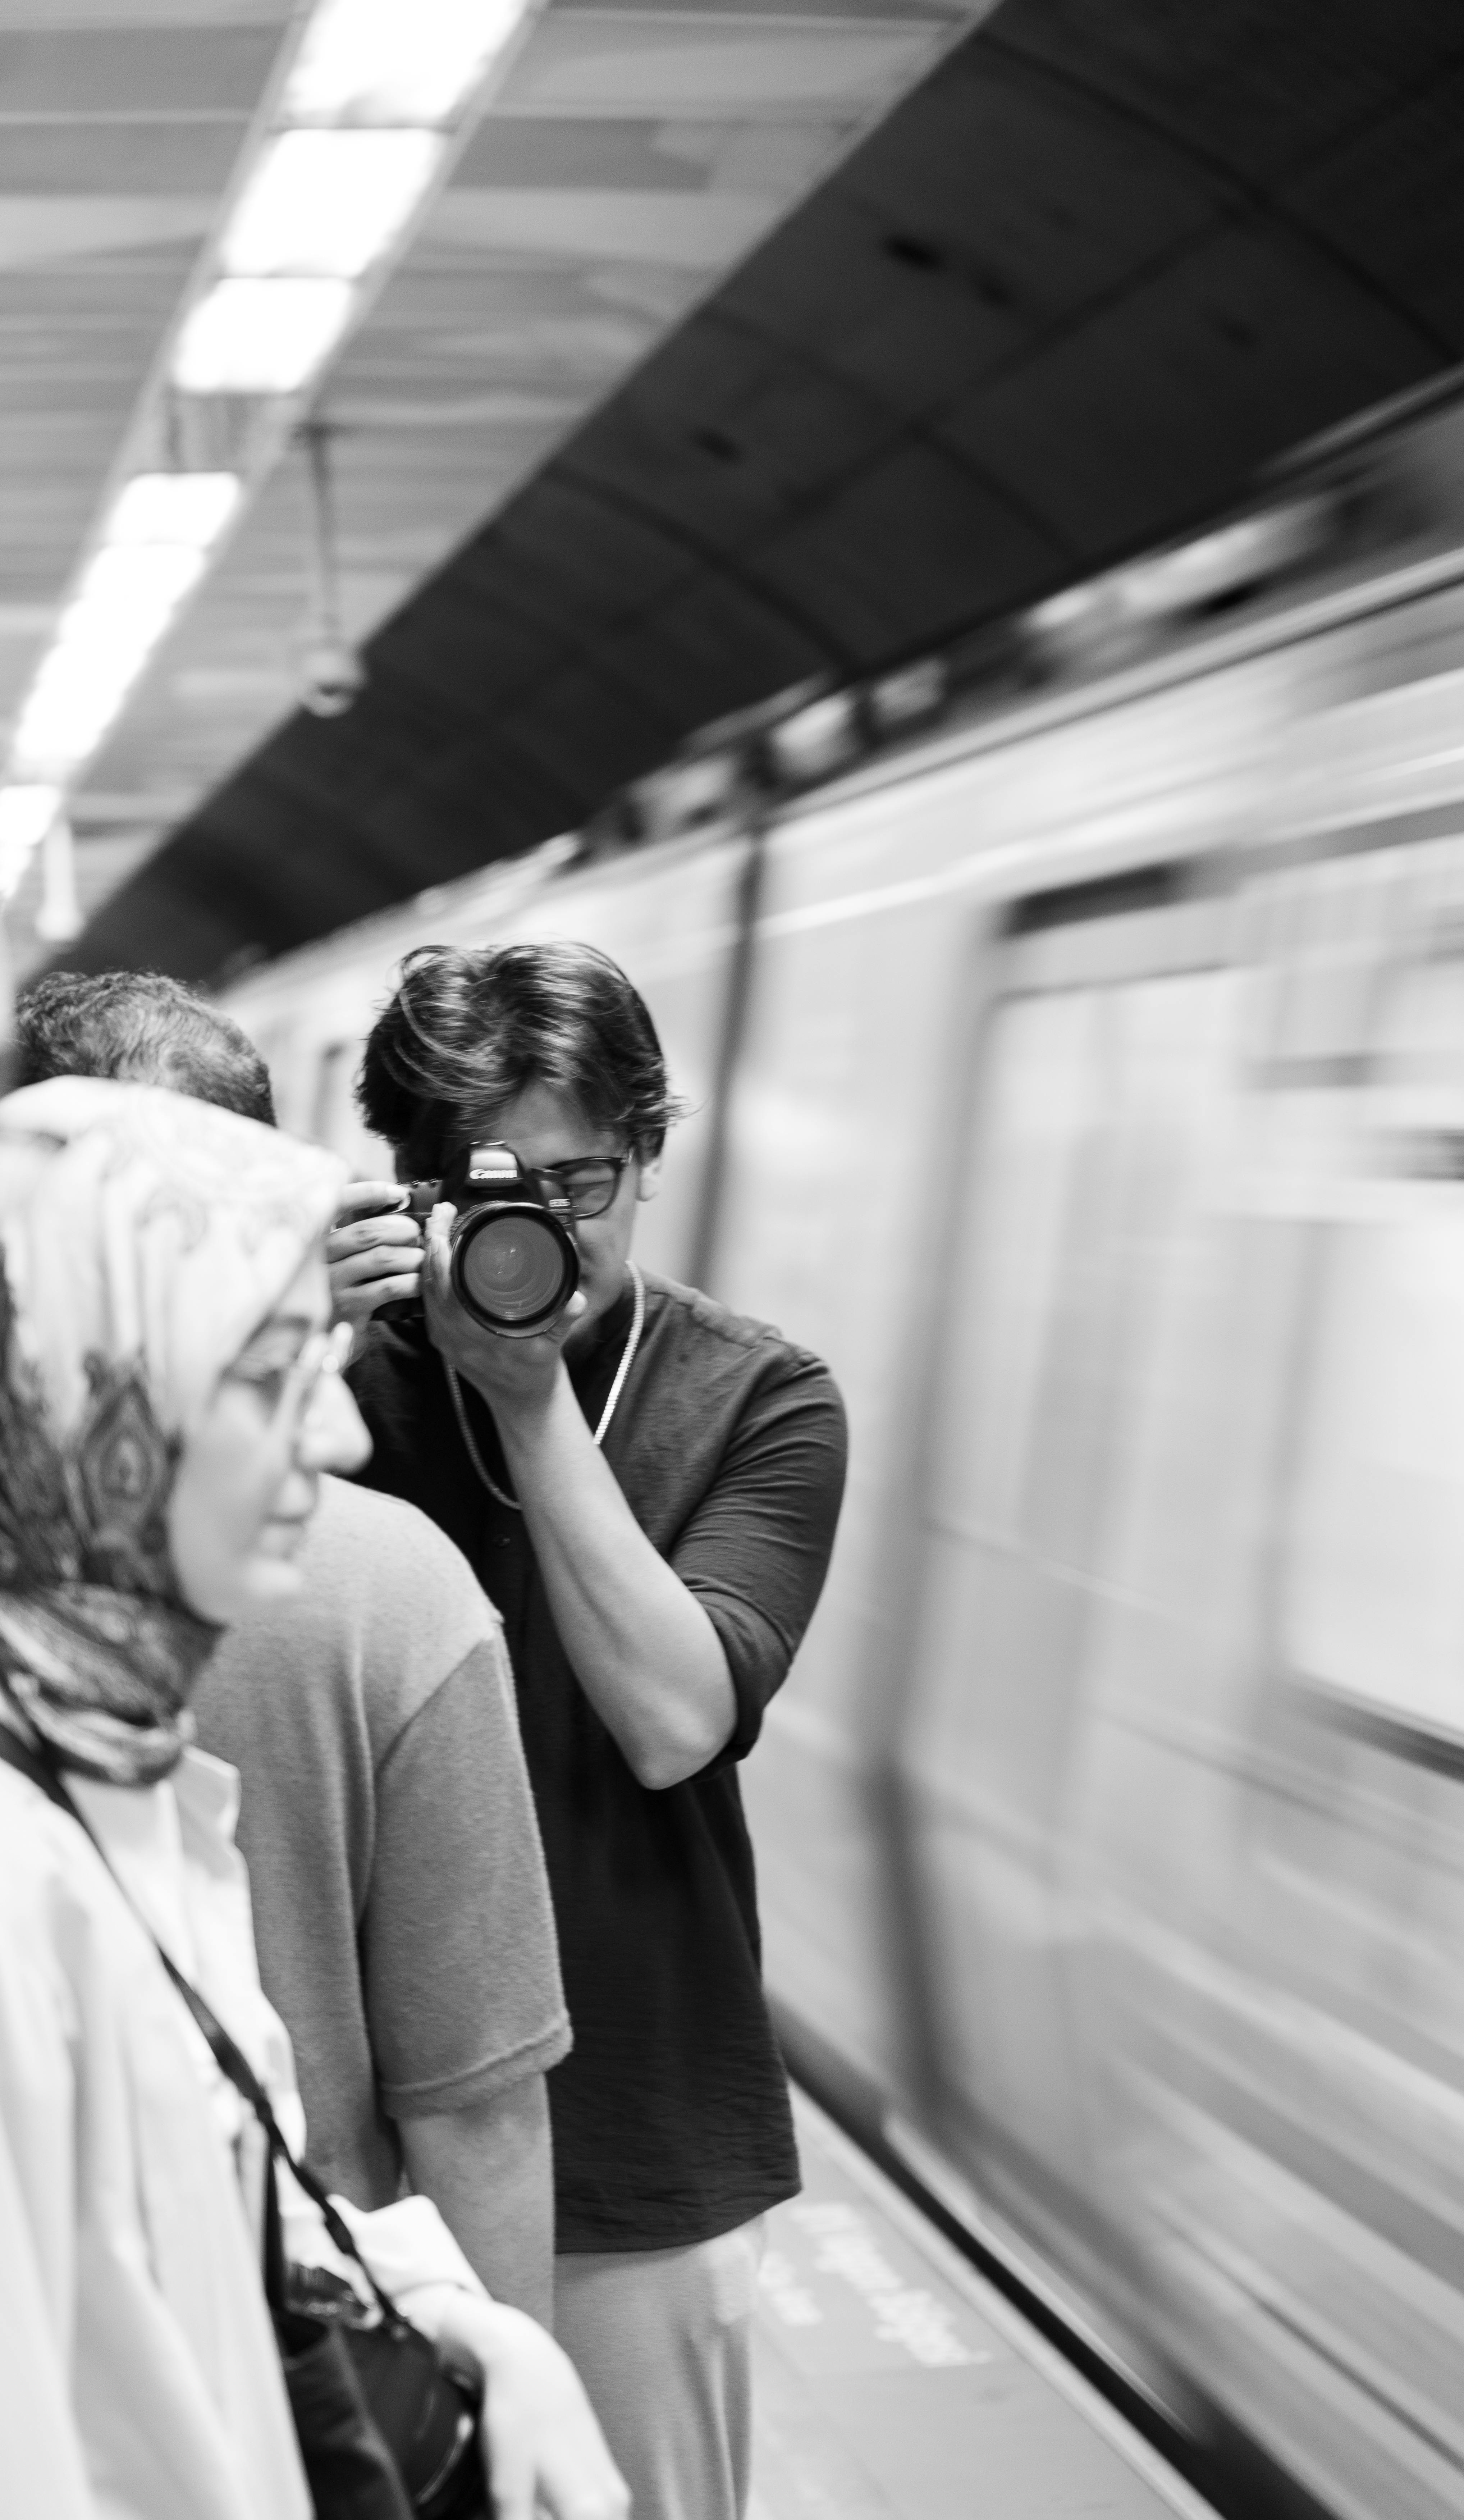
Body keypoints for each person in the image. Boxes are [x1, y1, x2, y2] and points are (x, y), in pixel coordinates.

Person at [0, 1073, 626, 2520]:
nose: (339, 1437)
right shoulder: (23, 1898)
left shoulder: (115, 1782)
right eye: (266, 1370)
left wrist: (484, 2334)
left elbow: (216, 2228)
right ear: (99, 1401)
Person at [336, 940, 848, 2520]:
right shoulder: (326, 1385)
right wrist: (268, 1348)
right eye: (504, 1186)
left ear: (653, 1153)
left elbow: (672, 1720)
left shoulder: (762, 1397)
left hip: (638, 2139)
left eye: (591, 1179)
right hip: (347, 2141)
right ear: (419, 1193)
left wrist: (528, 1397)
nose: (548, 1229)